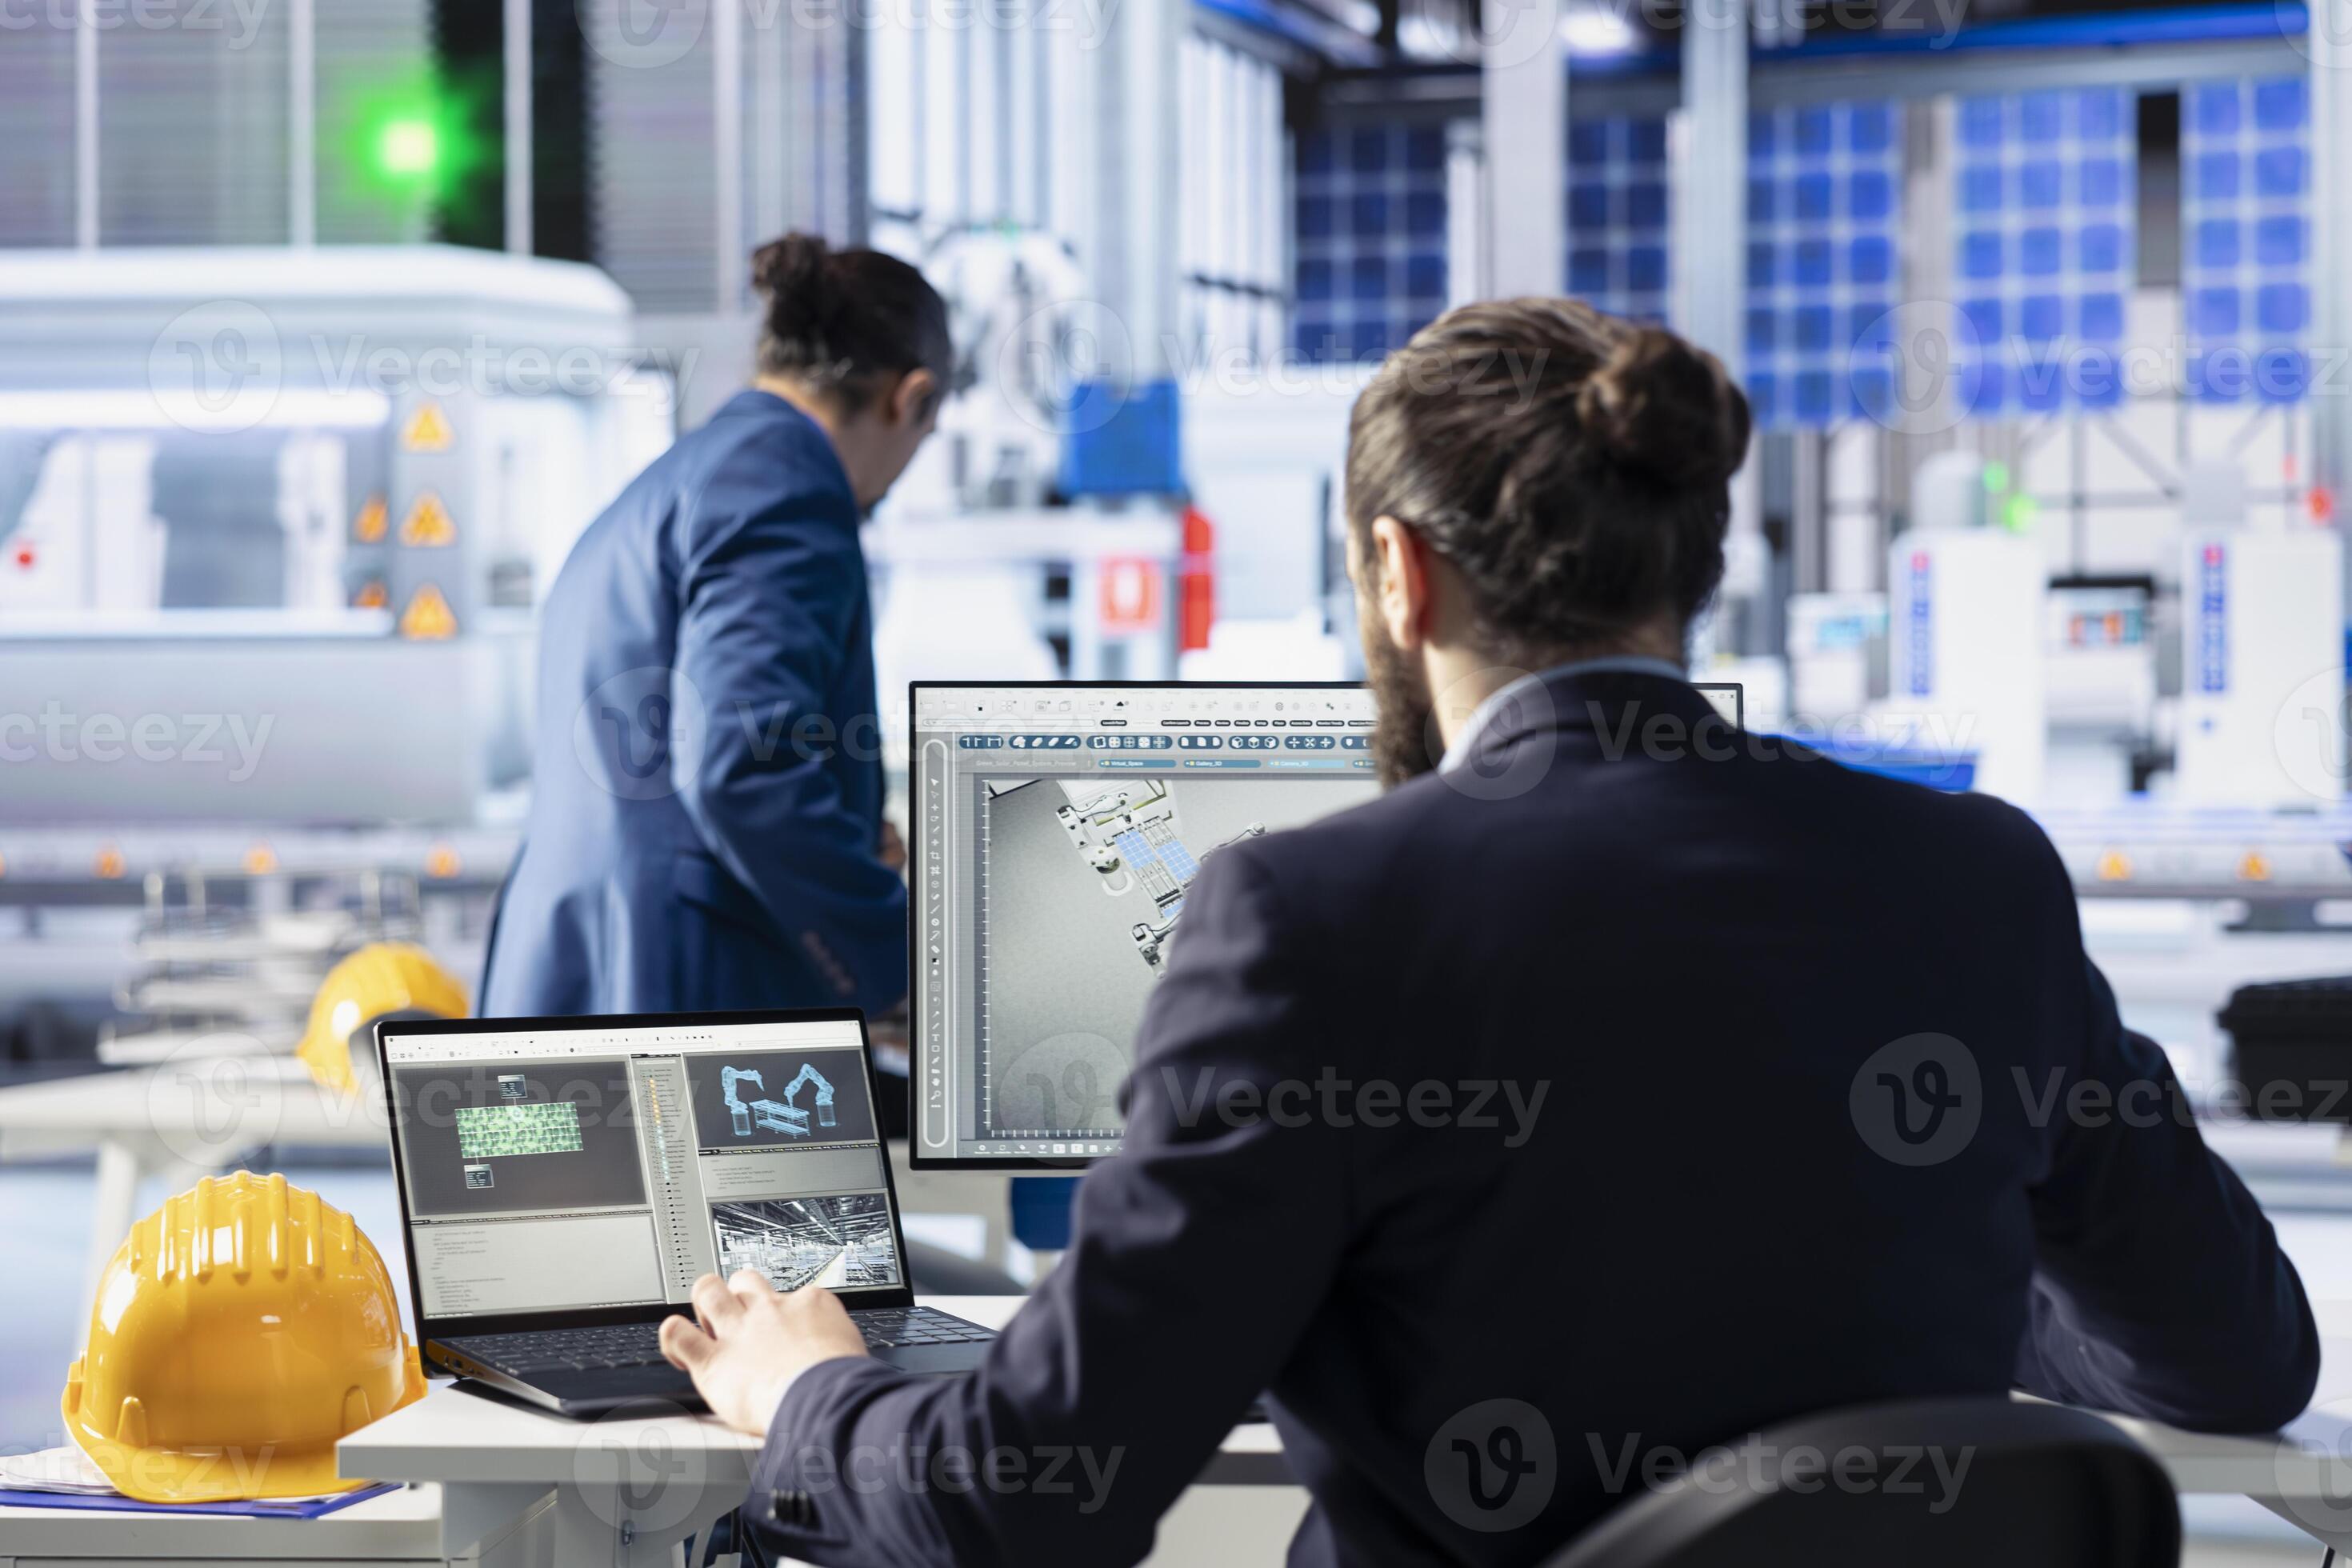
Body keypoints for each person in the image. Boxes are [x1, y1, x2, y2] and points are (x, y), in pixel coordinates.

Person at [658, 299, 2318, 1565]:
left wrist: (806, 1388)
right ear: (1691, 566)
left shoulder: (1308, 915)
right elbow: (2236, 1355)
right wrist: (1912, 1249)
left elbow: (1029, 1494)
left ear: (1399, 574)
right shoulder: (1978, 877)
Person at [482, 235, 948, 1018]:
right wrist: (890, 951)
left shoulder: (679, 481)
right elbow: (741, 762)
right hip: (684, 993)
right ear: (912, 398)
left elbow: (680, 762)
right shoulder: (784, 482)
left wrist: (843, 837)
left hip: (579, 972)